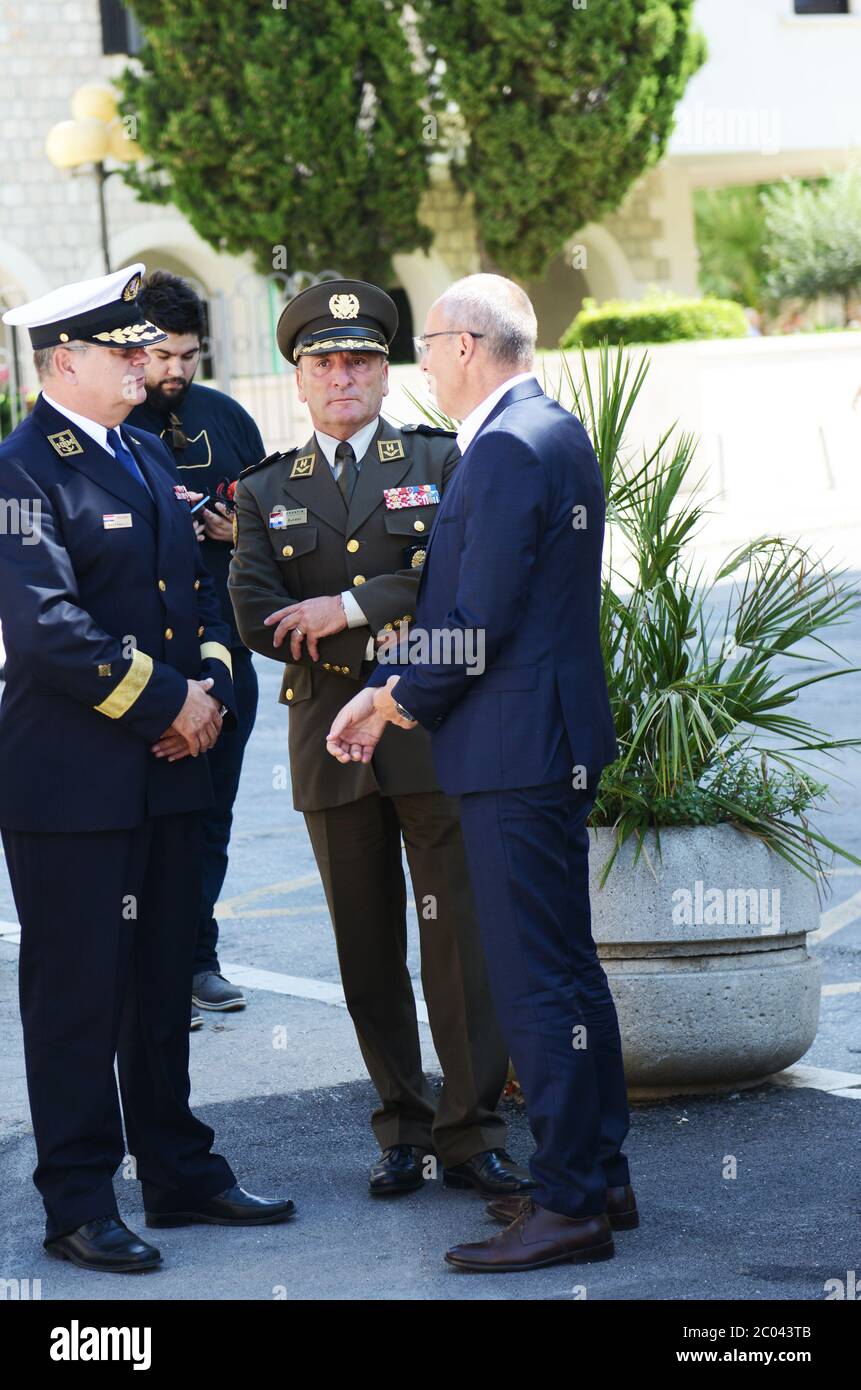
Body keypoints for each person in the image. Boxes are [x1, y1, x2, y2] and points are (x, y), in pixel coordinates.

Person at [327, 273, 636, 1272]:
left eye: (424, 343)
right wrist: (390, 683)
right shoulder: (554, 429)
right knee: (569, 969)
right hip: (545, 739)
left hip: (515, 752)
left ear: (466, 346)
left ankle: (573, 1203)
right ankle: (599, 1175)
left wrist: (390, 702)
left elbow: (475, 626)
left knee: (536, 983)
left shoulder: (502, 449)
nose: (418, 361)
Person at [0, 265, 294, 1275]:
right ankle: (79, 1199)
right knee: (79, 996)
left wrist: (207, 684)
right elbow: (46, 634)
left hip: (170, 771)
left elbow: (201, 598)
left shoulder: (139, 454)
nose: (143, 363)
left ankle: (175, 1169)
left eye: (145, 348)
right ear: (64, 361)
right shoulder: (23, 470)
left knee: (163, 981)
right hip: (75, 785)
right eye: (124, 351)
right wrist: (170, 702)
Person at [228, 279, 532, 1201]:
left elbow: (453, 576)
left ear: (385, 372)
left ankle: (471, 1130)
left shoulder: (442, 461)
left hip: (432, 732)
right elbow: (251, 608)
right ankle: (399, 1123)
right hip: (328, 734)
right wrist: (369, 615)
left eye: (360, 359)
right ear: (300, 381)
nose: (343, 376)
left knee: (458, 942)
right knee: (365, 945)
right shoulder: (265, 488)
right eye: (324, 363)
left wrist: (345, 606)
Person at [128, 271, 265, 1021]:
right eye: (161, 355)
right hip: (141, 671)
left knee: (211, 817)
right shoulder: (112, 425)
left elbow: (286, 529)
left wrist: (241, 533)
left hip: (225, 658)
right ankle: (152, 971)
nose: (175, 370)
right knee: (151, 822)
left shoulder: (230, 419)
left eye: (188, 354)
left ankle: (195, 959)